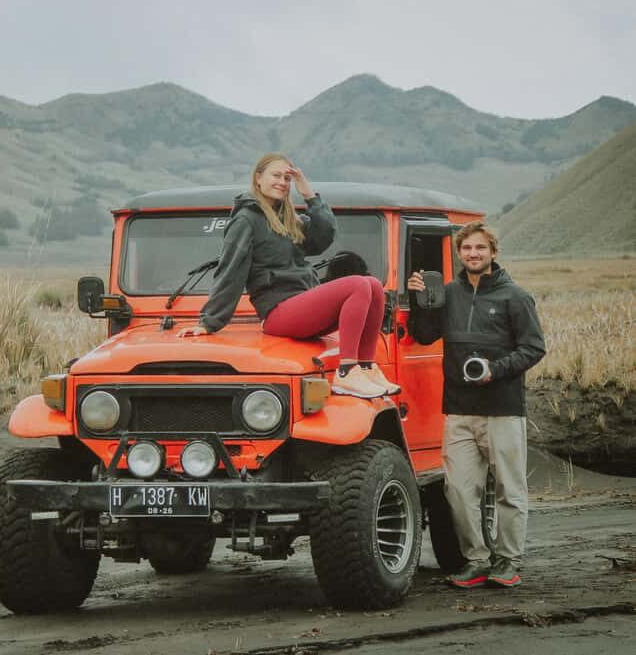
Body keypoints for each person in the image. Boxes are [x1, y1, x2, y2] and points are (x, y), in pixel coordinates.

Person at [178, 153, 398, 398]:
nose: (282, 182)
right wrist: (209, 322)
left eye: (287, 178)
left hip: (302, 304)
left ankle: (366, 367)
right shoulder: (246, 220)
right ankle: (347, 372)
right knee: (357, 284)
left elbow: (322, 238)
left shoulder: (288, 218)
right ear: (258, 178)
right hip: (278, 312)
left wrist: (309, 195)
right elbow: (231, 269)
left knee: (373, 286)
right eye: (276, 175)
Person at [407, 221, 545, 588]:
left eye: (480, 248)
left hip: (503, 409)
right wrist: (421, 302)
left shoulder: (515, 297)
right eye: (467, 248)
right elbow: (424, 336)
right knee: (458, 492)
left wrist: (493, 370)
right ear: (459, 253)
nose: (473, 254)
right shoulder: (448, 294)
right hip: (459, 411)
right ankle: (476, 560)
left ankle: (508, 561)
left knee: (508, 490)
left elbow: (534, 348)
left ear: (493, 252)